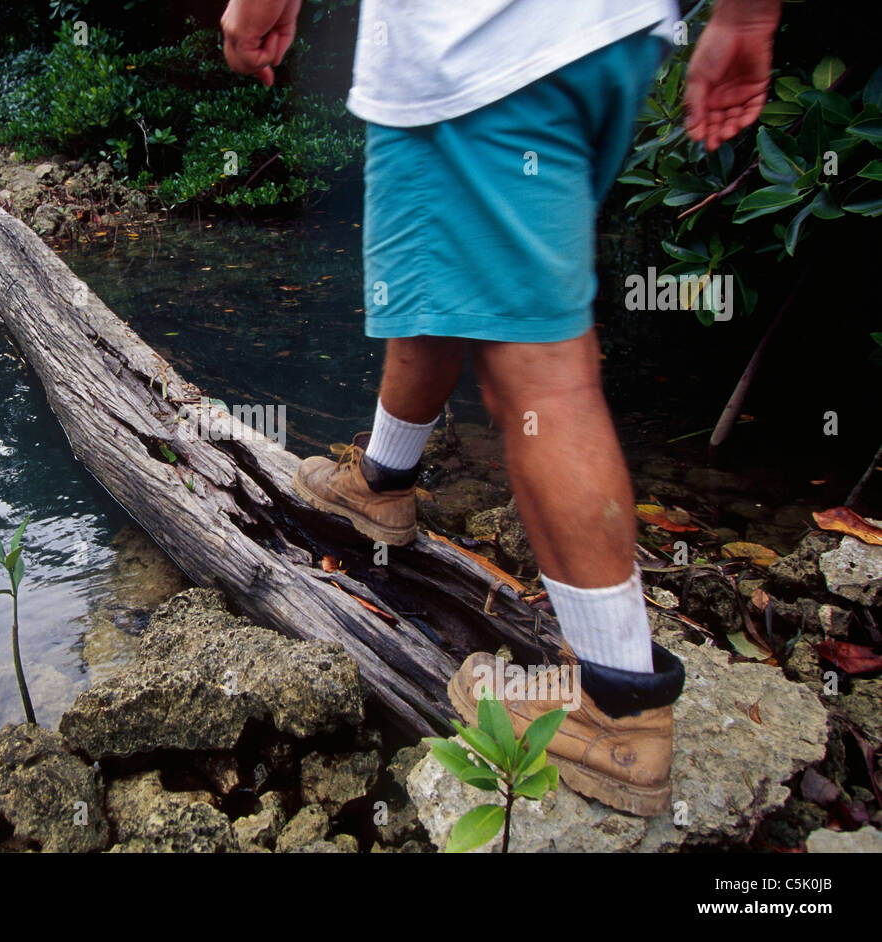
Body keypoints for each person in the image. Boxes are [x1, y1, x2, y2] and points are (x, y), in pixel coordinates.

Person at [220, 0, 782, 816]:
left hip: (481, 51)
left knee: (541, 376)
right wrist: (747, 16)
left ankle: (620, 707)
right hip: (599, 39)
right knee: (435, 290)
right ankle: (381, 482)